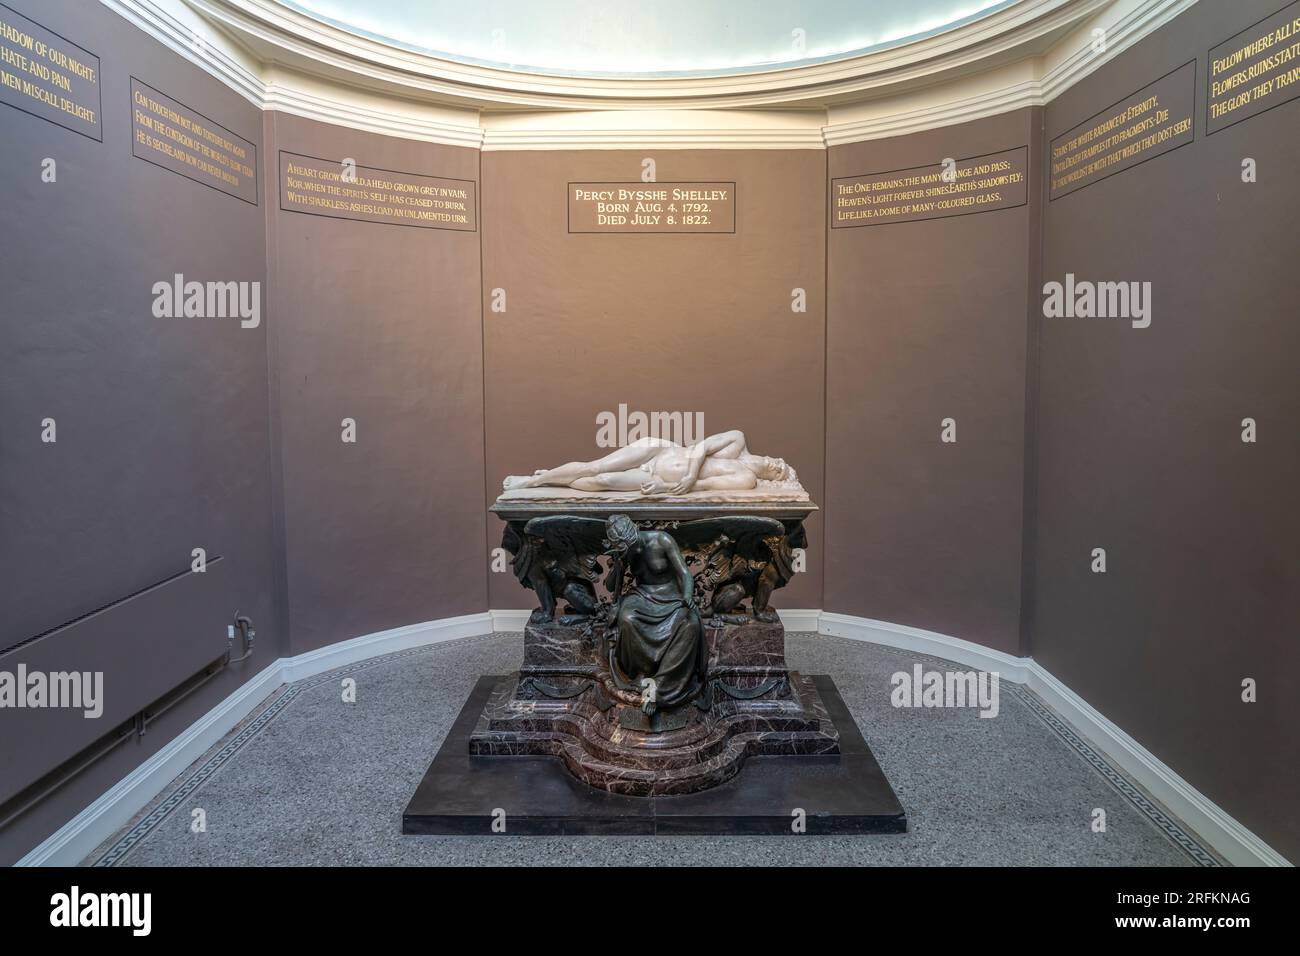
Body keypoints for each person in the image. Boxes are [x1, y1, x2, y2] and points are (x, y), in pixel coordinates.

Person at [503, 429, 792, 495]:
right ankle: (532, 480)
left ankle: (553, 476)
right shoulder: (738, 441)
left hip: (662, 479)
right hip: (660, 451)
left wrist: (663, 488)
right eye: (781, 462)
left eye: (781, 472)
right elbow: (700, 448)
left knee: (601, 482)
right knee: (596, 466)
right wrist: (690, 475)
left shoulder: (747, 480)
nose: (778, 464)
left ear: (772, 479)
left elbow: (702, 485)